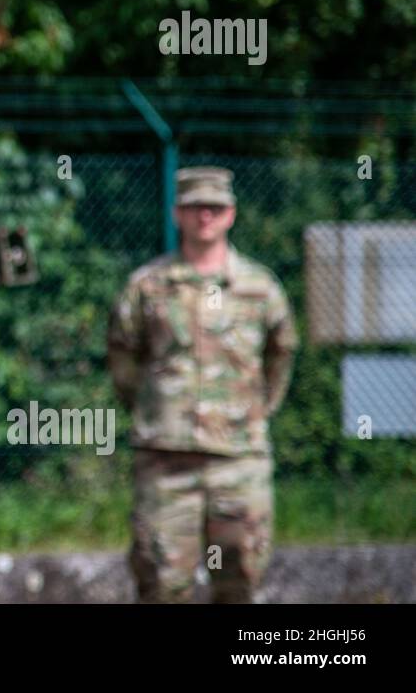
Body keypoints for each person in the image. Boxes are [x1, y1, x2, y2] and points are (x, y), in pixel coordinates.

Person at [108, 166, 297, 603]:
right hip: (166, 461)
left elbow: (281, 352)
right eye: (195, 208)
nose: (204, 217)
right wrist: (155, 410)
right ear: (177, 214)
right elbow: (123, 355)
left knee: (240, 577)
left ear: (230, 213)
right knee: (160, 580)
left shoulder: (259, 288)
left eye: (214, 208)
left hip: (239, 459)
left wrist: (258, 410)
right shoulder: (147, 286)